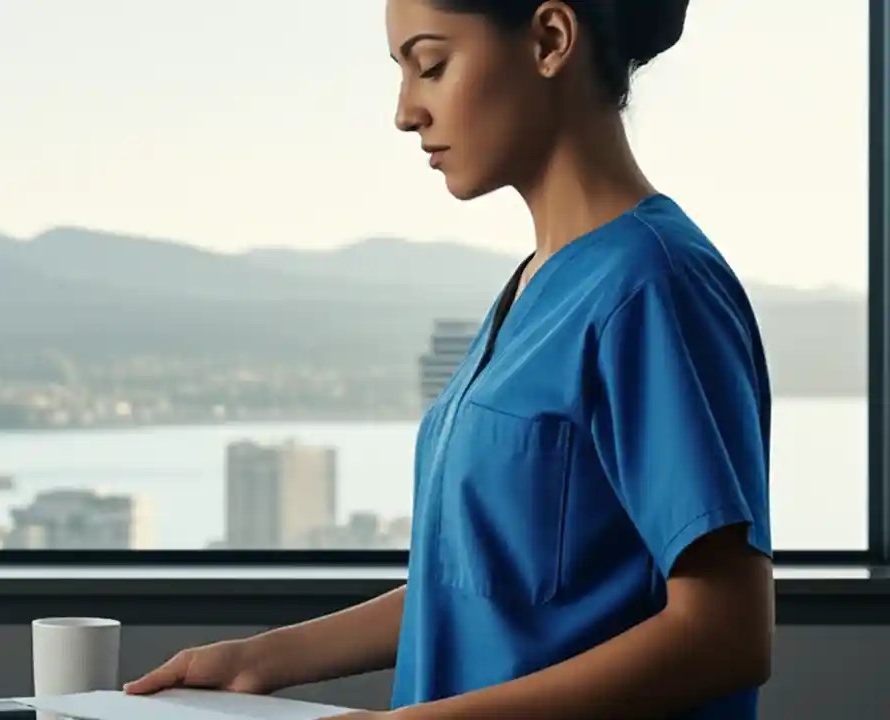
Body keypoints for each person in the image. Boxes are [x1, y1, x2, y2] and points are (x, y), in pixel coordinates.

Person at [125, 1, 775, 717]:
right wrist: (261, 661)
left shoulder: (653, 287)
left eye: (431, 65)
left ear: (549, 40)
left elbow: (725, 634)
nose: (407, 112)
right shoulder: (534, 287)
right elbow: (481, 586)